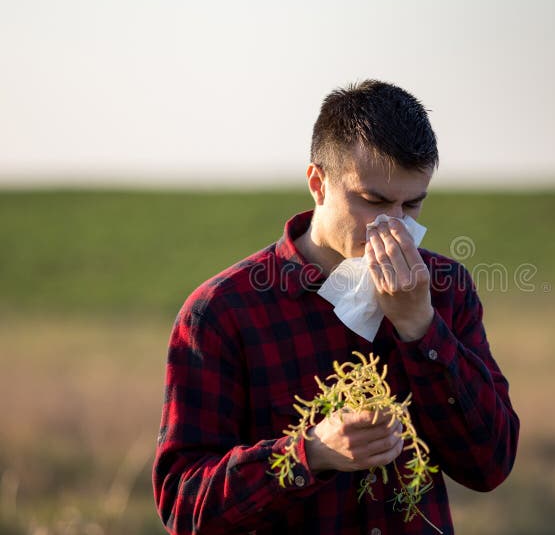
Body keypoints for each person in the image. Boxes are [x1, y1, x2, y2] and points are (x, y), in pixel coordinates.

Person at [153, 80, 519, 534]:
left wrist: (420, 327)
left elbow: (490, 464)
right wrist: (310, 453)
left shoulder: (443, 290)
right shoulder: (223, 312)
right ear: (318, 183)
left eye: (413, 204)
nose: (394, 224)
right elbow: (184, 505)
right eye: (373, 201)